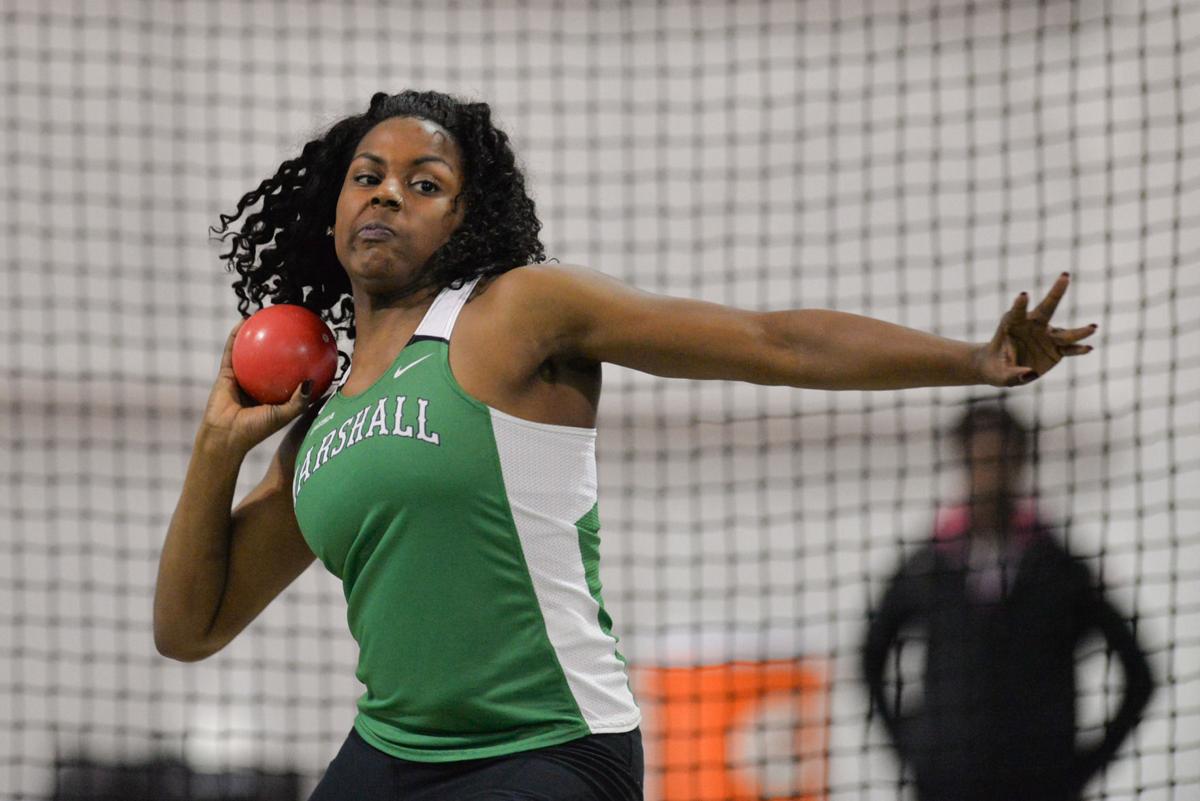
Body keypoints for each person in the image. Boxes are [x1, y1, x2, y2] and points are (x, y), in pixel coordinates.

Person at [153, 90, 1096, 800]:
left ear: (462, 219)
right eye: (369, 176)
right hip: (391, 751)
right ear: (332, 210)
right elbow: (190, 628)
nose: (389, 195)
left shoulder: (515, 313)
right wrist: (214, 448)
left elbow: (773, 341)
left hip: (545, 748)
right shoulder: (321, 421)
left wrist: (972, 358)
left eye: (424, 183)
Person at [861, 401, 1154, 801]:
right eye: (981, 460)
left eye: (1002, 459)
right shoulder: (927, 567)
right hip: (948, 785)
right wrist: (914, 751)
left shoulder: (1061, 568)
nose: (991, 474)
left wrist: (1082, 767)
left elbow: (1139, 673)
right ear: (962, 461)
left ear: (1021, 462)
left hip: (1040, 784)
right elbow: (871, 657)